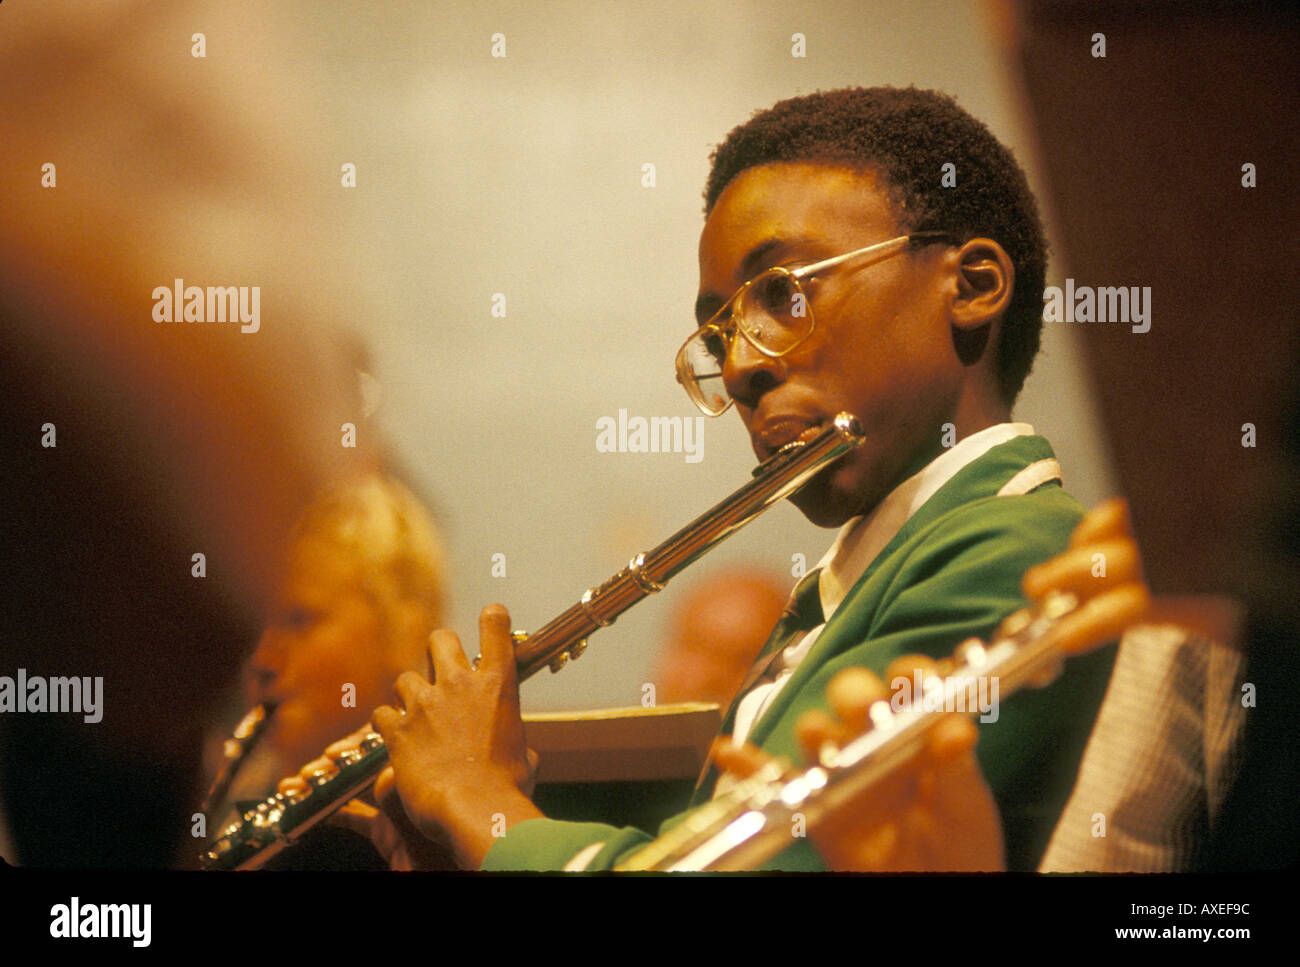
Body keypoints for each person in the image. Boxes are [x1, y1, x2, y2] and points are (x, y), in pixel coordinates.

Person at [292, 86, 1118, 872]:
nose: (743, 366)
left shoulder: (1014, 555)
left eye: (781, 293)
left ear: (971, 286)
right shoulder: (862, 582)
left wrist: (482, 801)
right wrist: (474, 847)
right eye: (718, 335)